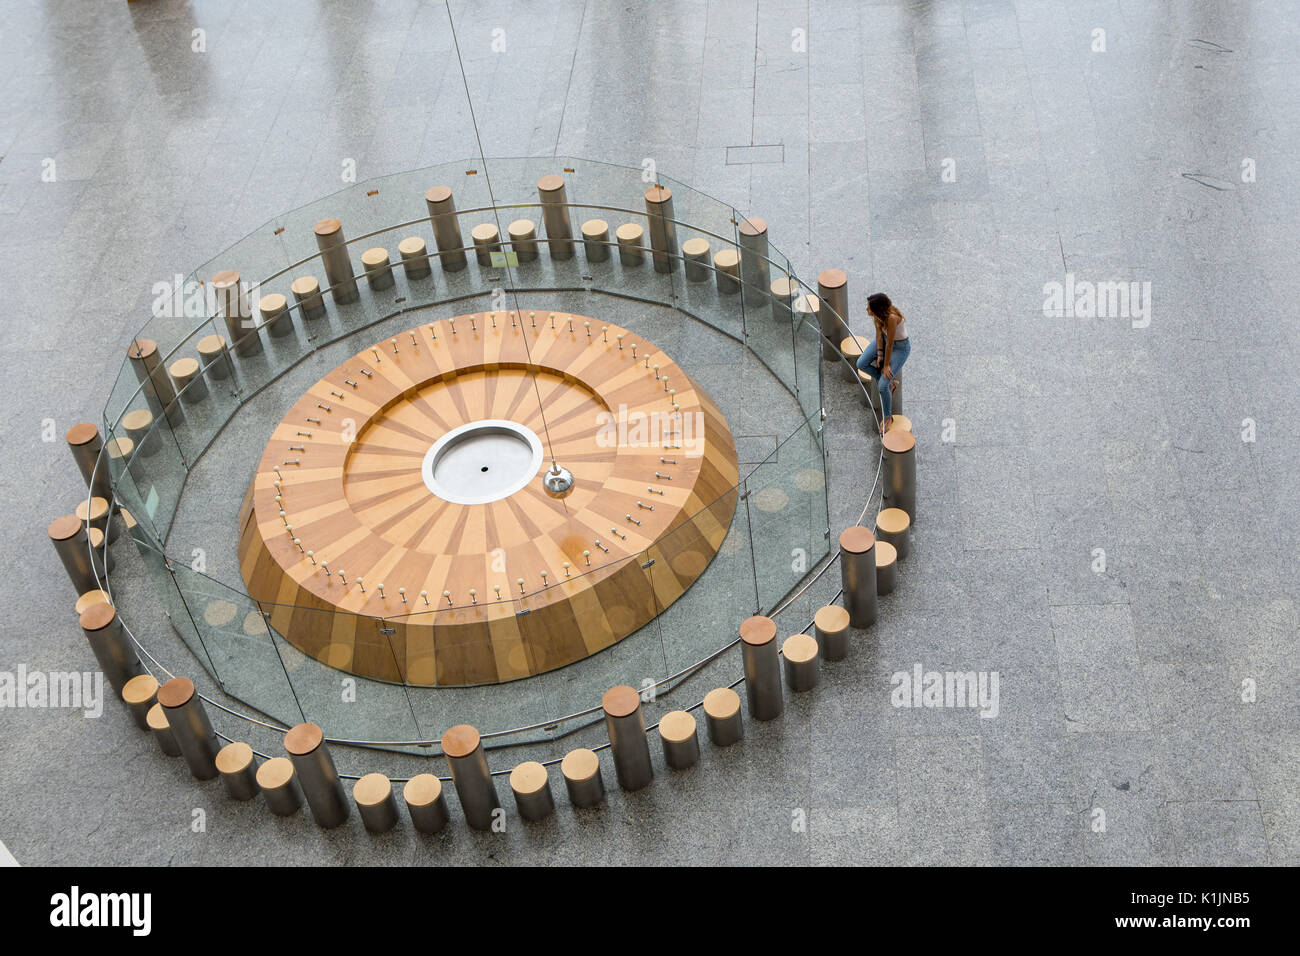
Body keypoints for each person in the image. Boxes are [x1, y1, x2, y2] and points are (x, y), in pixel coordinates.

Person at [855, 292, 910, 435]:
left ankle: (887, 418)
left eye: (869, 307)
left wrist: (886, 366)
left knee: (881, 387)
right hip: (886, 341)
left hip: (900, 347)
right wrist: (879, 354)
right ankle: (890, 384)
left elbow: (891, 344)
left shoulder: (891, 318)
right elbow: (879, 335)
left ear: (877, 309)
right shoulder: (878, 316)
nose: (867, 310)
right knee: (861, 363)